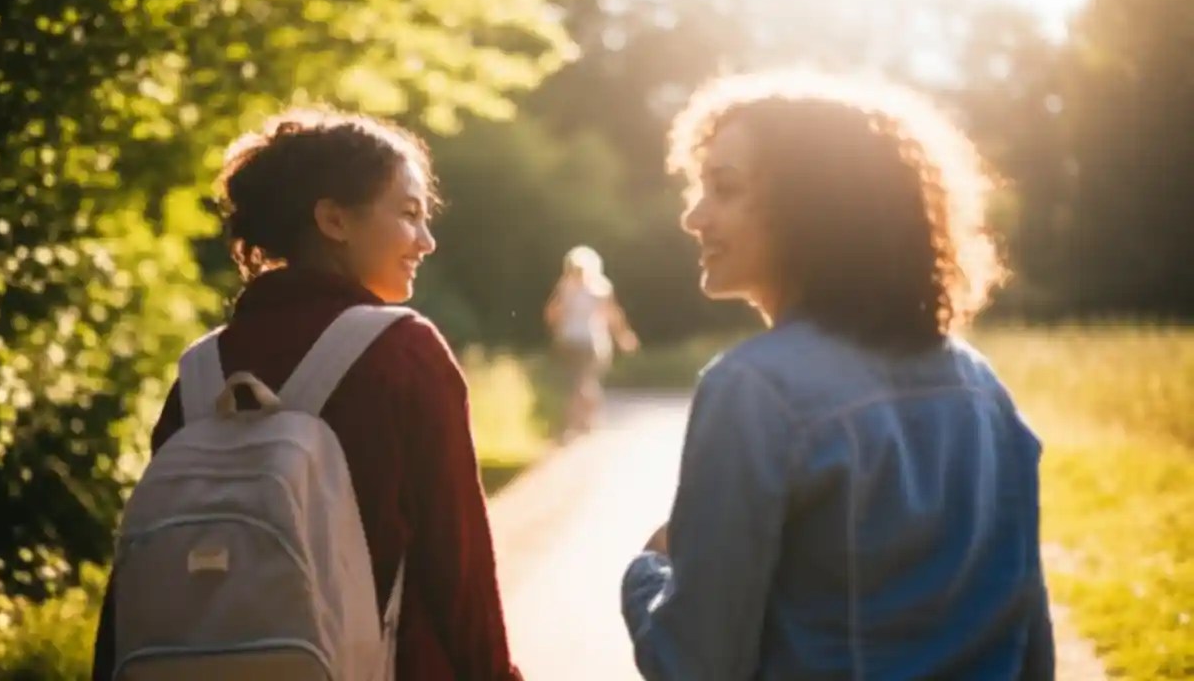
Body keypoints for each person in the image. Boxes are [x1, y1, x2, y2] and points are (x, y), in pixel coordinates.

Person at [621, 71, 1055, 680]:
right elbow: (1031, 642)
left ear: (813, 204)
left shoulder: (754, 389)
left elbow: (695, 665)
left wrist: (647, 572)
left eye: (724, 189)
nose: (695, 216)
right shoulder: (982, 388)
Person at [92, 107, 523, 680]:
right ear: (334, 221)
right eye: (409, 213)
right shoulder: (404, 353)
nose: (427, 241)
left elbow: (143, 564)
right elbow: (458, 569)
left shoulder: (201, 371)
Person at [543, 245, 638, 441]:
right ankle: (585, 421)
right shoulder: (600, 288)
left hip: (569, 340)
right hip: (590, 341)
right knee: (585, 381)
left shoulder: (565, 288)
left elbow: (551, 313)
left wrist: (558, 327)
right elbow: (612, 315)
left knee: (577, 382)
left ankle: (576, 423)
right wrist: (623, 336)